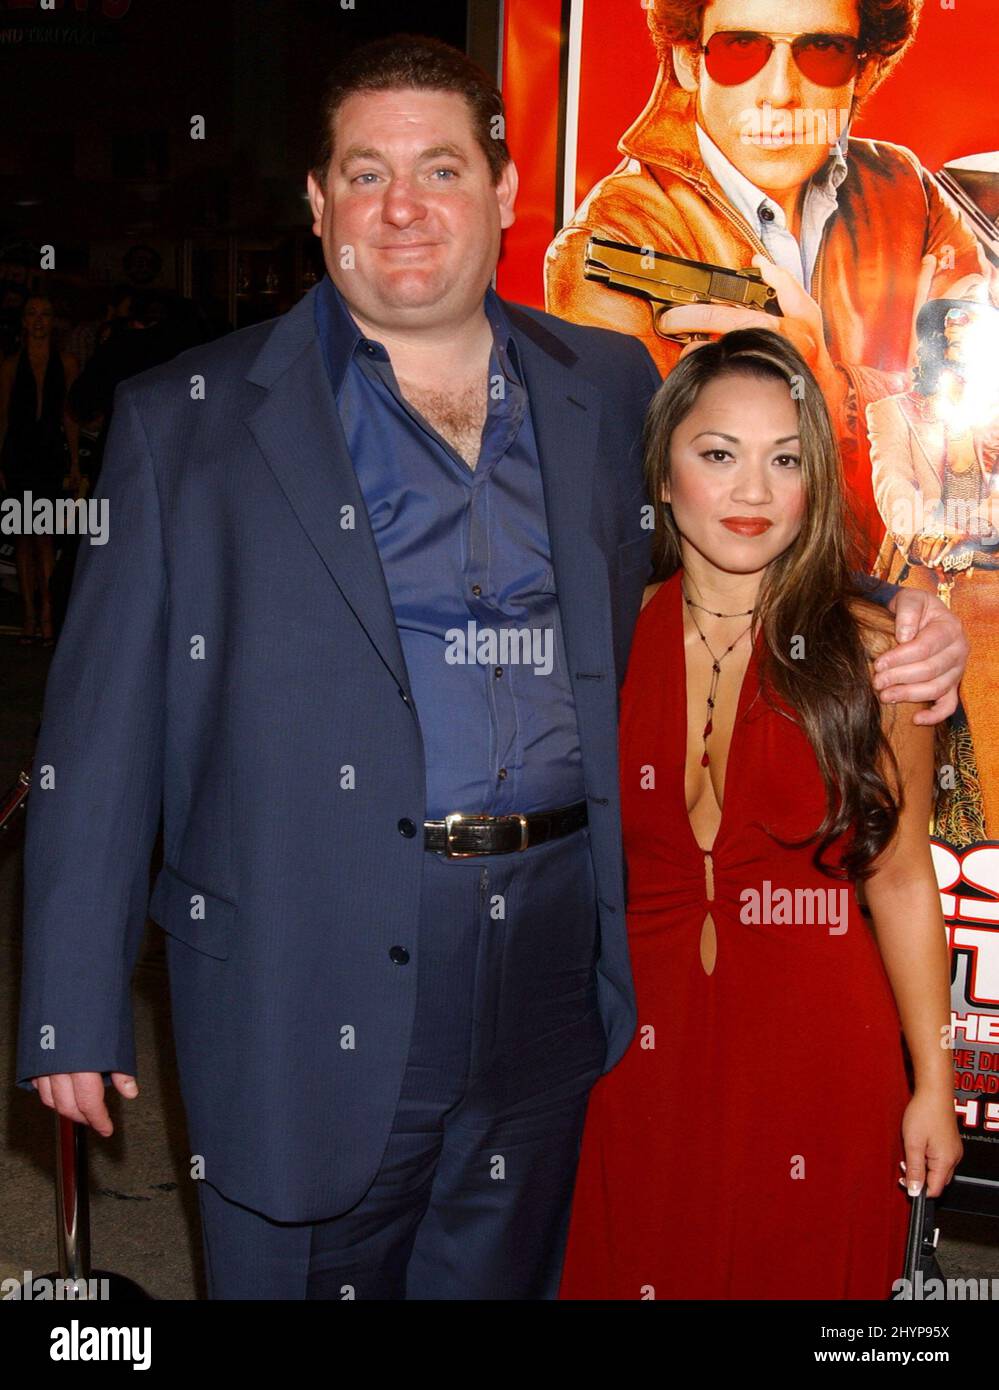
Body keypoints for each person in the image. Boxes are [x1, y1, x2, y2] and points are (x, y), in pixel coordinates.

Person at [15, 34, 967, 1302]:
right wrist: (70, 997)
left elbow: (742, 511)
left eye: (443, 169)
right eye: (366, 174)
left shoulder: (603, 382)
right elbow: (97, 731)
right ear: (316, 203)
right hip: (307, 968)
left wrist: (899, 609)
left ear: (507, 194)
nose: (404, 207)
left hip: (553, 968)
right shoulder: (186, 419)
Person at [558, 326, 963, 1300]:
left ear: (816, 482)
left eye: (785, 460)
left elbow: (904, 881)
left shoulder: (879, 657)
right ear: (661, 473)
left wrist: (934, 1086)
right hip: (631, 1053)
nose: (751, 491)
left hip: (819, 1051)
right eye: (718, 454)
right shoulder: (599, 643)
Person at [543, 0, 994, 557]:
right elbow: (638, 517)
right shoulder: (613, 242)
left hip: (899, 612)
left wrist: (828, 386)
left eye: (822, 51)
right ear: (688, 60)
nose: (779, 92)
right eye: (742, 49)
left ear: (867, 68)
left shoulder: (908, 191)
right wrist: (888, 397)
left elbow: (972, 450)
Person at [869, 299, 999, 837]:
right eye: (953, 333)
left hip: (987, 591)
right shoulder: (892, 411)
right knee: (907, 741)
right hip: (920, 586)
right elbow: (894, 488)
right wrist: (927, 534)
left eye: (974, 335)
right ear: (933, 341)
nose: (962, 344)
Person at [0, 294, 81, 645]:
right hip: (18, 457)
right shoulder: (8, 366)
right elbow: (2, 418)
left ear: (52, 321)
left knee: (45, 537)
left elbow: (70, 416)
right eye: (32, 313)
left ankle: (47, 615)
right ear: (23, 321)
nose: (38, 320)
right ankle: (29, 616)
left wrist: (76, 463)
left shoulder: (66, 363)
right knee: (22, 537)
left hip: (49, 457)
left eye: (45, 314)